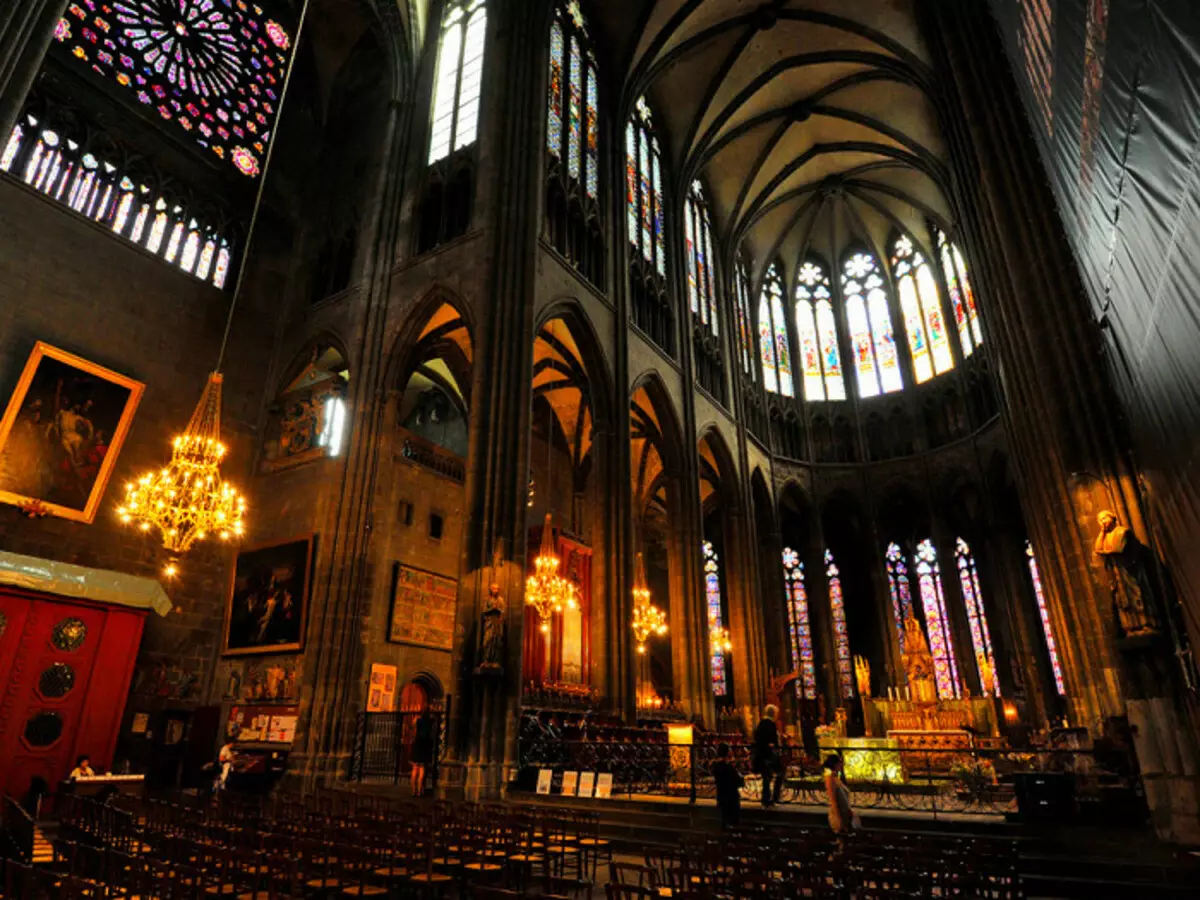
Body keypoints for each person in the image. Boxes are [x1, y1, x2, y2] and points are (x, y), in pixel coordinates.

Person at [752, 704, 783, 807]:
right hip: (768, 755)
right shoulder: (769, 724)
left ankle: (767, 798)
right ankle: (774, 797)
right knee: (778, 773)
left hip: (763, 755)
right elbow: (769, 740)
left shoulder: (761, 723)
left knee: (767, 777)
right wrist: (772, 745)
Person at [711, 742, 744, 830]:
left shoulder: (717, 766)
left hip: (722, 795)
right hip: (731, 796)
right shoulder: (727, 767)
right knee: (731, 818)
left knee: (724, 816)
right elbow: (737, 780)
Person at [824, 754, 859, 833]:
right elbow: (833, 800)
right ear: (834, 764)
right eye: (840, 762)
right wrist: (839, 819)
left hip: (845, 814)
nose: (842, 764)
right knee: (841, 838)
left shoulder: (836, 778)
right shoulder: (830, 779)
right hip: (839, 815)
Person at [410, 710, 436, 797]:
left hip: (417, 744)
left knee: (415, 768)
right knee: (422, 768)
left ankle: (413, 790)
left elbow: (412, 727)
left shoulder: (417, 721)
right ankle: (420, 790)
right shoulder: (430, 722)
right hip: (425, 746)